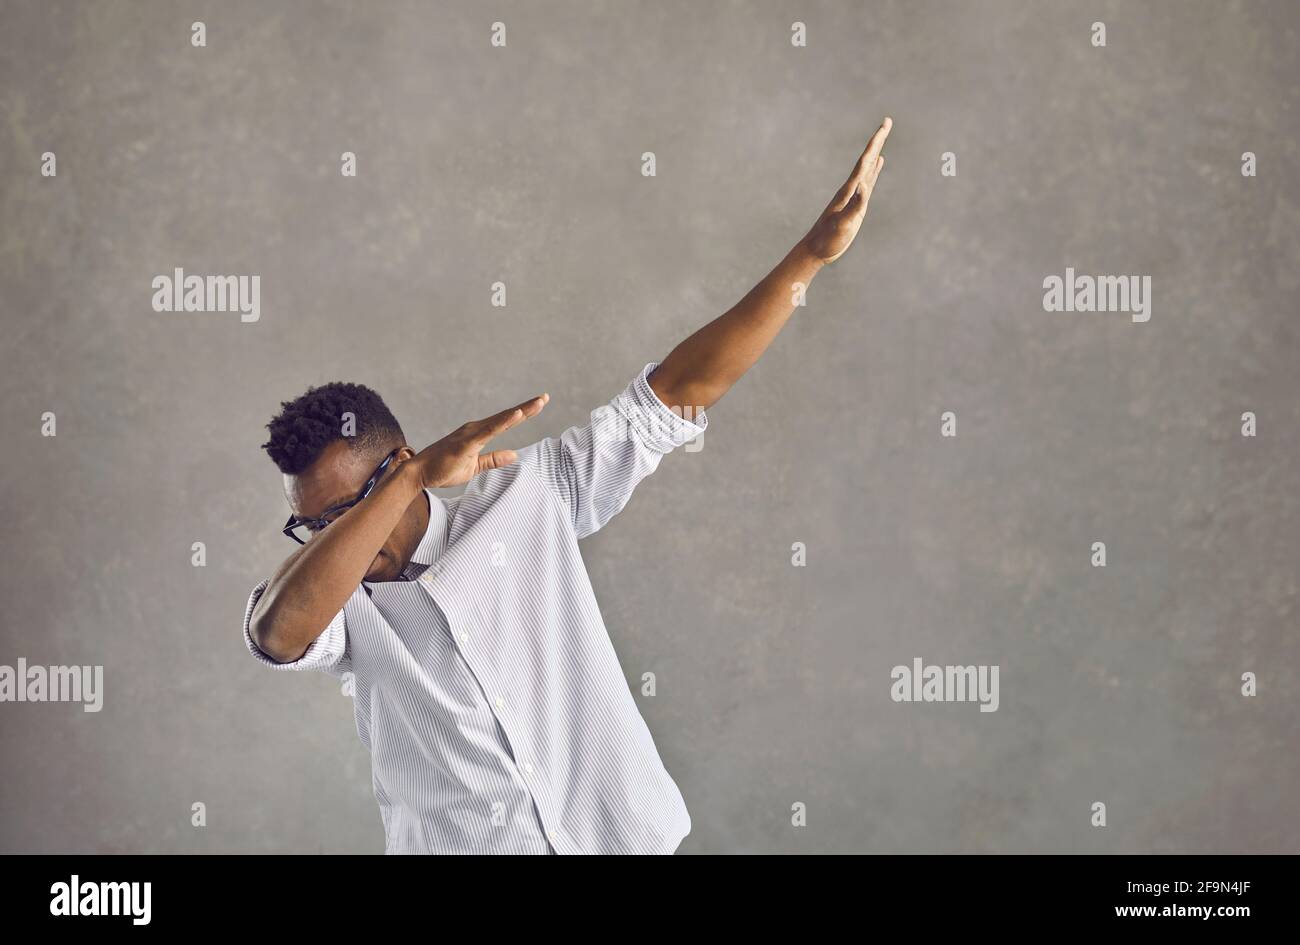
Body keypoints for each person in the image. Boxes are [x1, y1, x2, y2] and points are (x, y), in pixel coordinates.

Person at [243, 118, 894, 854]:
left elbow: (677, 390)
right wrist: (396, 492)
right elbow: (278, 632)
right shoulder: (340, 605)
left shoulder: (525, 499)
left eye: (348, 511)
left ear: (400, 462)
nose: (338, 542)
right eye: (317, 526)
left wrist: (810, 256)